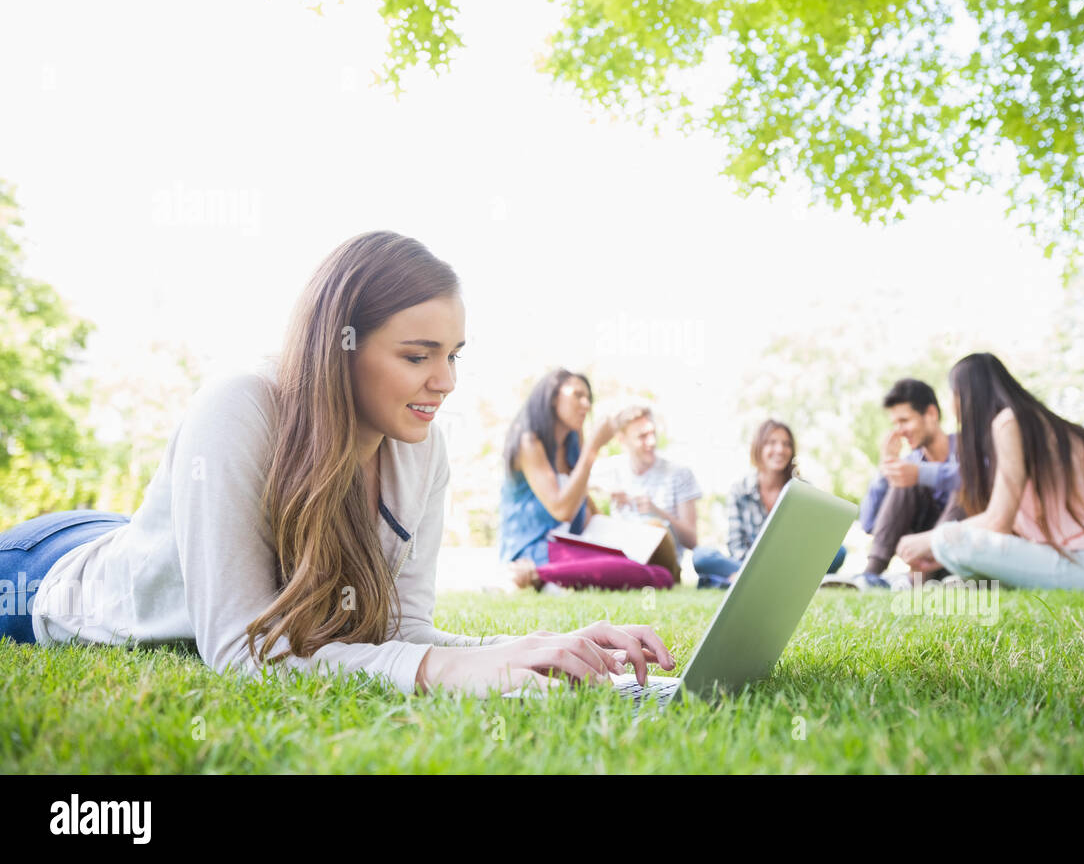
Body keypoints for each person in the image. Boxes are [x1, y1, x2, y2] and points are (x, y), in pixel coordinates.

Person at [3, 232, 673, 697]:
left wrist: (542, 647)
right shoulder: (240, 406)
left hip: (144, 542)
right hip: (44, 575)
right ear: (339, 347)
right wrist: (441, 672)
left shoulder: (421, 446)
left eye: (454, 354)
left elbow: (400, 633)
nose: (446, 381)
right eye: (417, 356)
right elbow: (240, 656)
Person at [896, 353, 1084, 589]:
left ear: (967, 395)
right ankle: (975, 584)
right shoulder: (1037, 424)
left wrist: (931, 541)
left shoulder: (1010, 422)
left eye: (953, 395)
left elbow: (997, 521)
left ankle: (968, 578)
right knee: (958, 550)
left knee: (952, 541)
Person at [499, 372, 676, 592]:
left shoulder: (573, 440)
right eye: (577, 395)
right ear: (553, 398)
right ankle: (532, 574)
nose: (586, 404)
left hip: (570, 542)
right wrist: (593, 447)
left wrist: (613, 532)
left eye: (588, 398)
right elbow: (561, 510)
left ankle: (548, 579)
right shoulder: (529, 442)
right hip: (533, 549)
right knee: (641, 573)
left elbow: (579, 497)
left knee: (661, 574)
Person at [710, 419, 847, 586]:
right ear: (758, 447)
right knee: (703, 557)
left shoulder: (803, 491)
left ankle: (751, 580)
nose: (780, 450)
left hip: (791, 566)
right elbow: (735, 543)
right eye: (771, 443)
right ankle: (764, 578)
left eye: (786, 444)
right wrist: (754, 568)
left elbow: (809, 543)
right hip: (747, 565)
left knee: (839, 552)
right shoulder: (740, 490)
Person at [854, 378, 963, 588]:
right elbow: (869, 524)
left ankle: (943, 573)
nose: (899, 431)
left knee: (966, 484)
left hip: (960, 550)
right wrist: (884, 469)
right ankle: (869, 577)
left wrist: (919, 473)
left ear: (931, 414)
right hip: (922, 565)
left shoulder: (967, 447)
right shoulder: (909, 466)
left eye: (904, 421)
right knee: (904, 482)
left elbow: (982, 483)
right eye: (895, 424)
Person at [590, 404, 703, 567]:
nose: (651, 442)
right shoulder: (611, 468)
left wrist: (657, 512)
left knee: (653, 526)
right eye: (642, 436)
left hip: (661, 562)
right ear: (622, 439)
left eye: (653, 434)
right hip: (623, 554)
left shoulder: (679, 474)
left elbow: (692, 541)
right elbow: (576, 482)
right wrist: (605, 491)